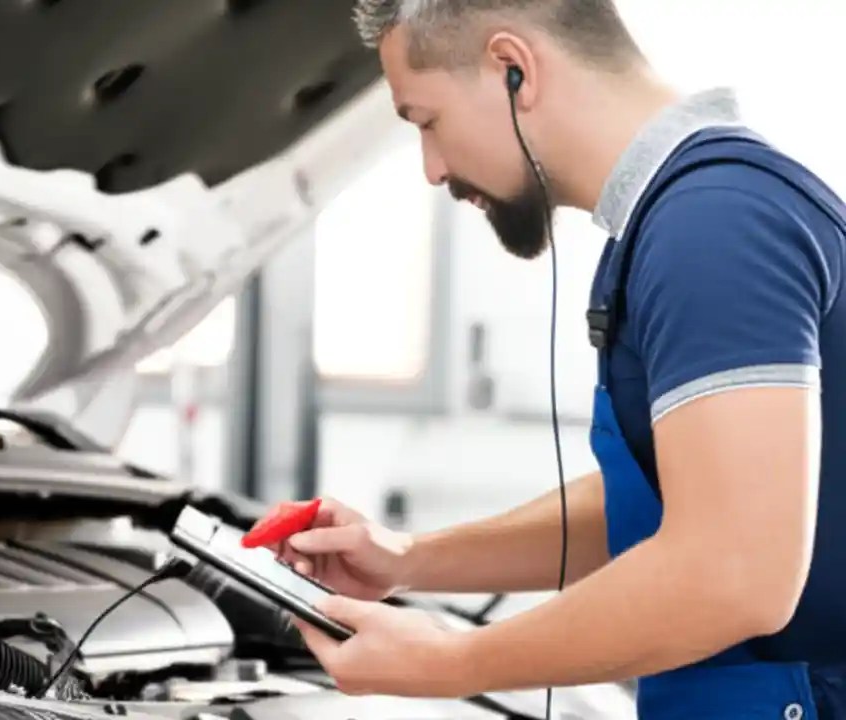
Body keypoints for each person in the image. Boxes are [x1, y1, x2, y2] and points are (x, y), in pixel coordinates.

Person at [254, 1, 846, 717]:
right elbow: (664, 506)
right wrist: (410, 559)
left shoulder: (713, 226)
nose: (432, 170)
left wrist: (448, 661)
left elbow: (732, 574)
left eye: (425, 121)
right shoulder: (678, 222)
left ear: (514, 69)